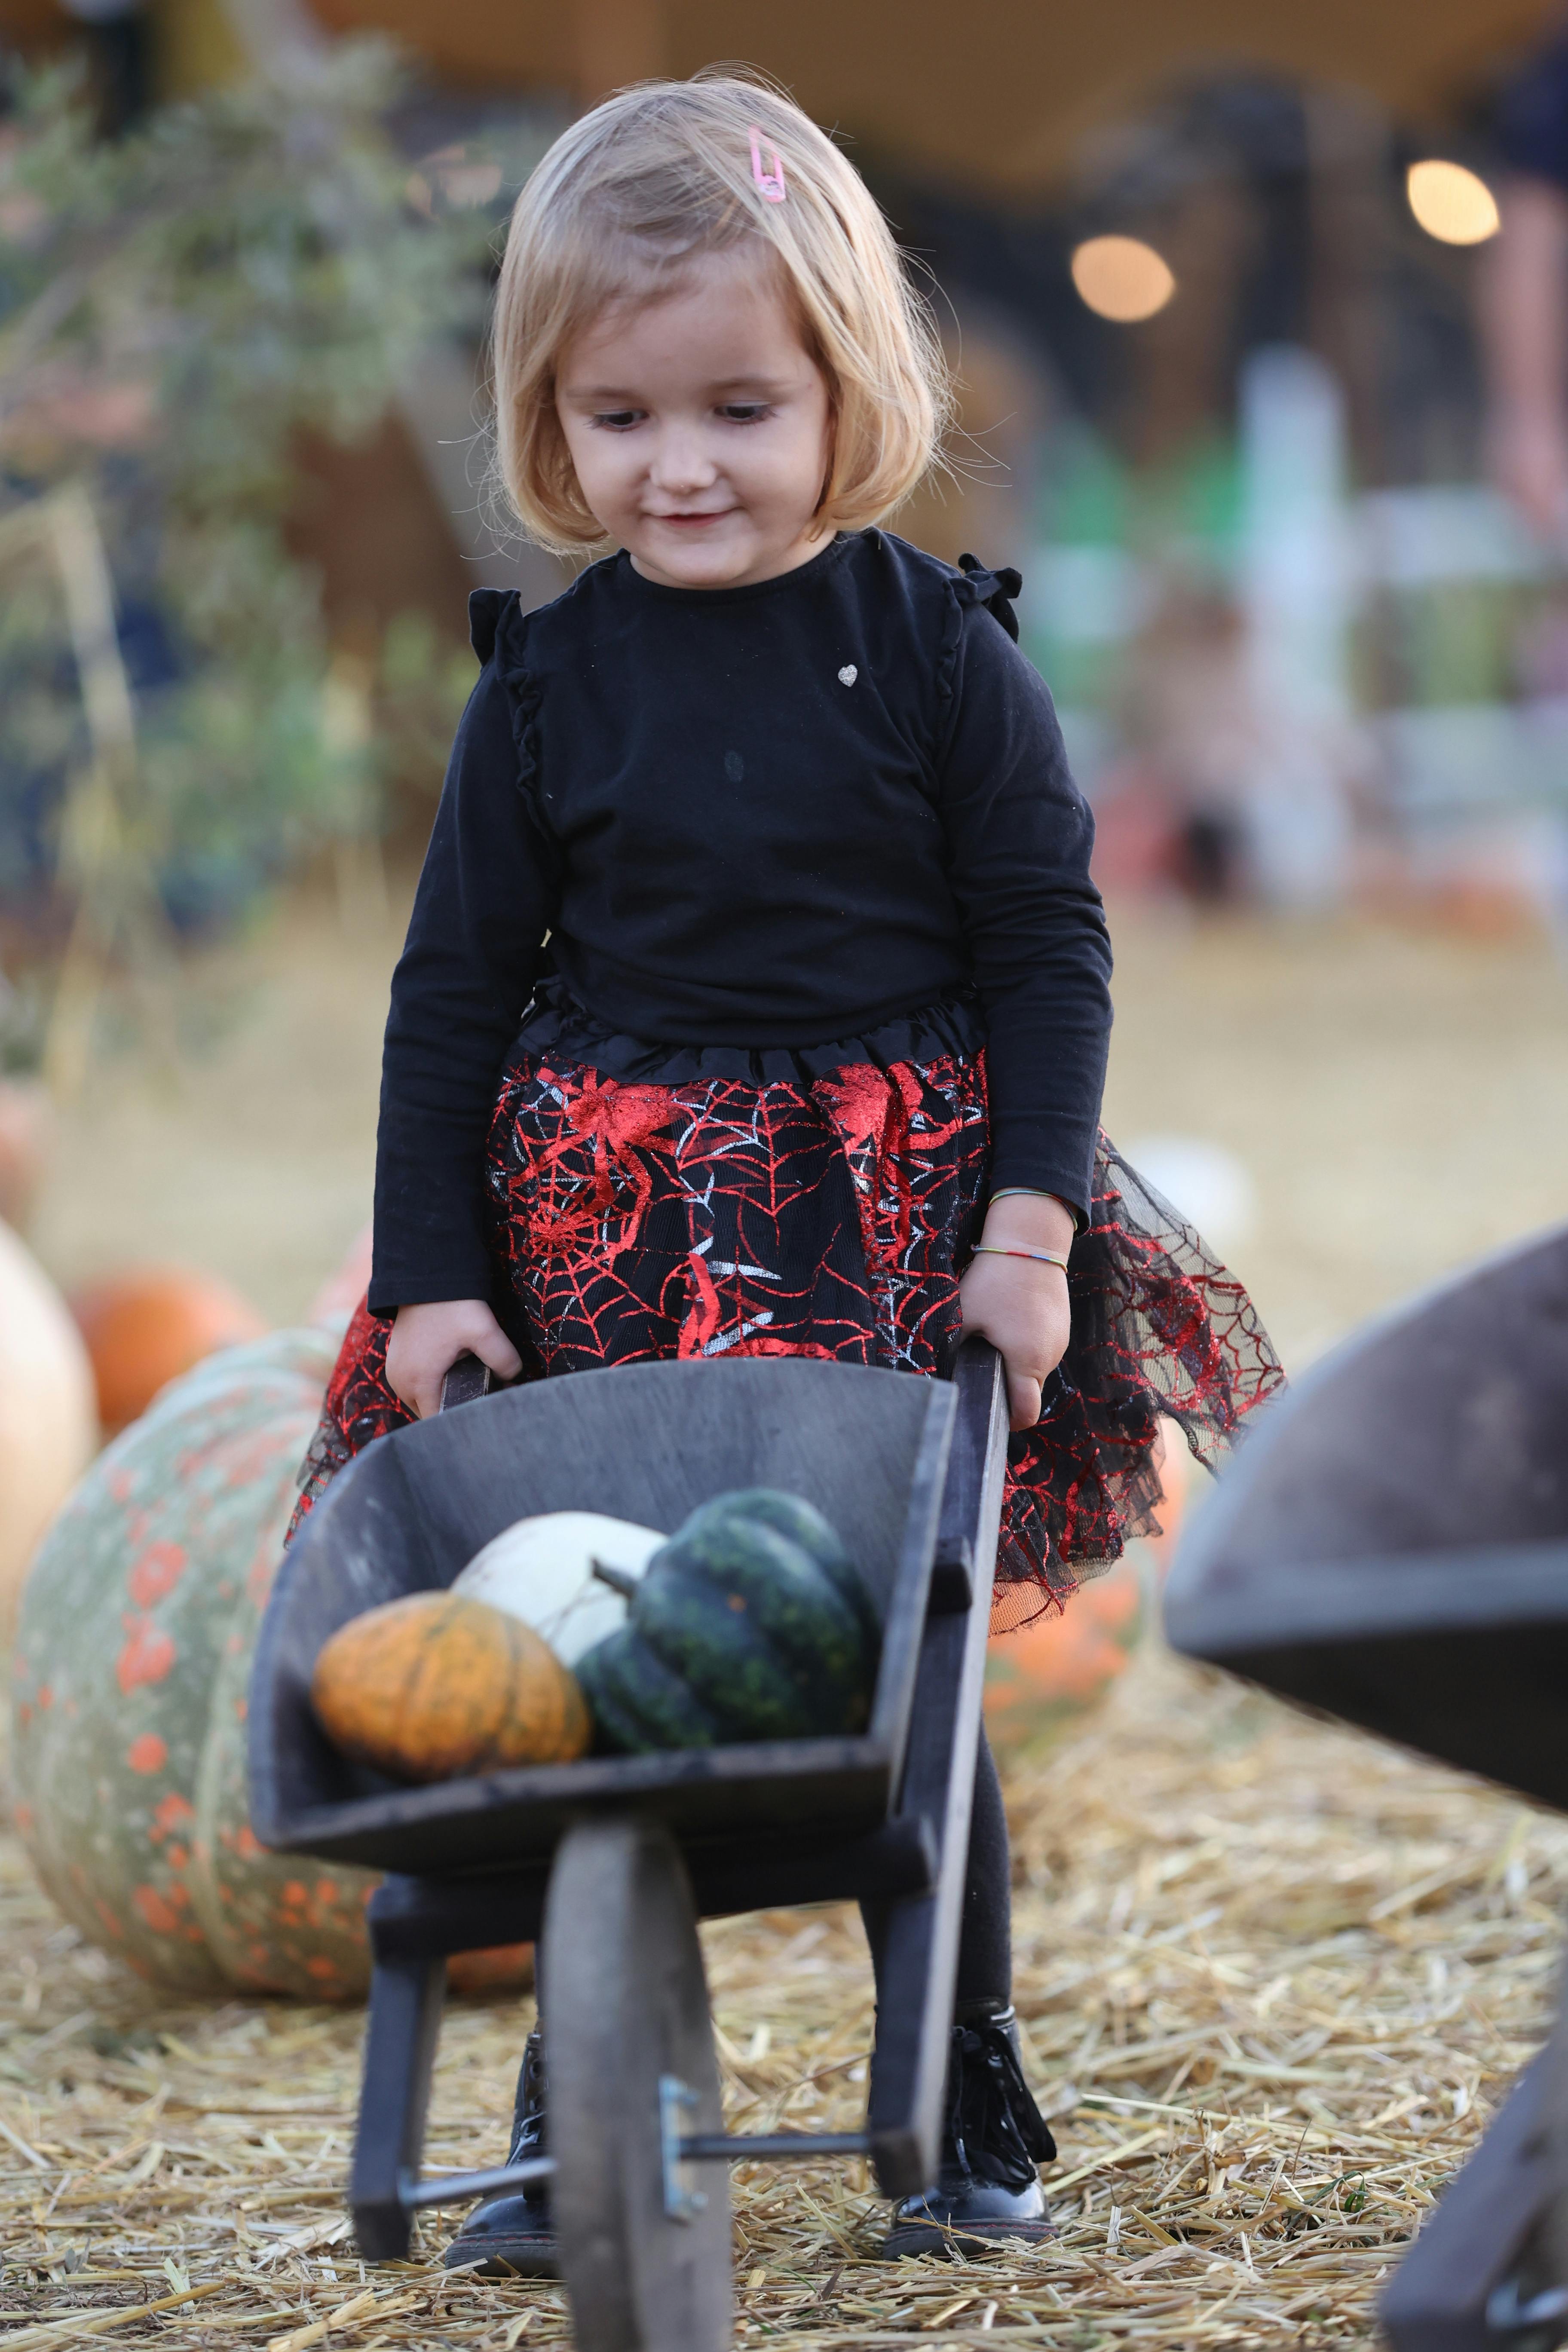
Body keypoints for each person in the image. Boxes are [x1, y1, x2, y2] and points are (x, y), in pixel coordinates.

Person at [290, 72, 1282, 2269]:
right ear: (550, 417)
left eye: (740, 406)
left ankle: (962, 2089)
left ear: (852, 384)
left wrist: (1028, 1236)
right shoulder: (542, 695)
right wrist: (437, 1268)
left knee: (900, 1682)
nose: (681, 465)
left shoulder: (944, 661)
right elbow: (451, 996)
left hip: (887, 1240)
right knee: (593, 1653)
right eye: (620, 415)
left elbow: (1047, 949)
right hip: (615, 1251)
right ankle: (585, 2102)